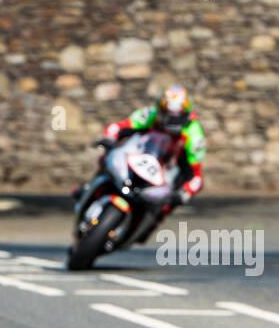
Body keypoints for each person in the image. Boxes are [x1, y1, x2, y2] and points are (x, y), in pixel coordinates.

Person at [76, 86, 206, 240]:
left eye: (177, 118)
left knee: (169, 202)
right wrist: (109, 138)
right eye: (168, 116)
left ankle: (150, 224)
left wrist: (184, 193)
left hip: (167, 169)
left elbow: (196, 175)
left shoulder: (194, 134)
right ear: (160, 110)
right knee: (107, 155)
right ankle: (91, 186)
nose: (172, 122)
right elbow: (119, 127)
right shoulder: (149, 114)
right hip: (140, 154)